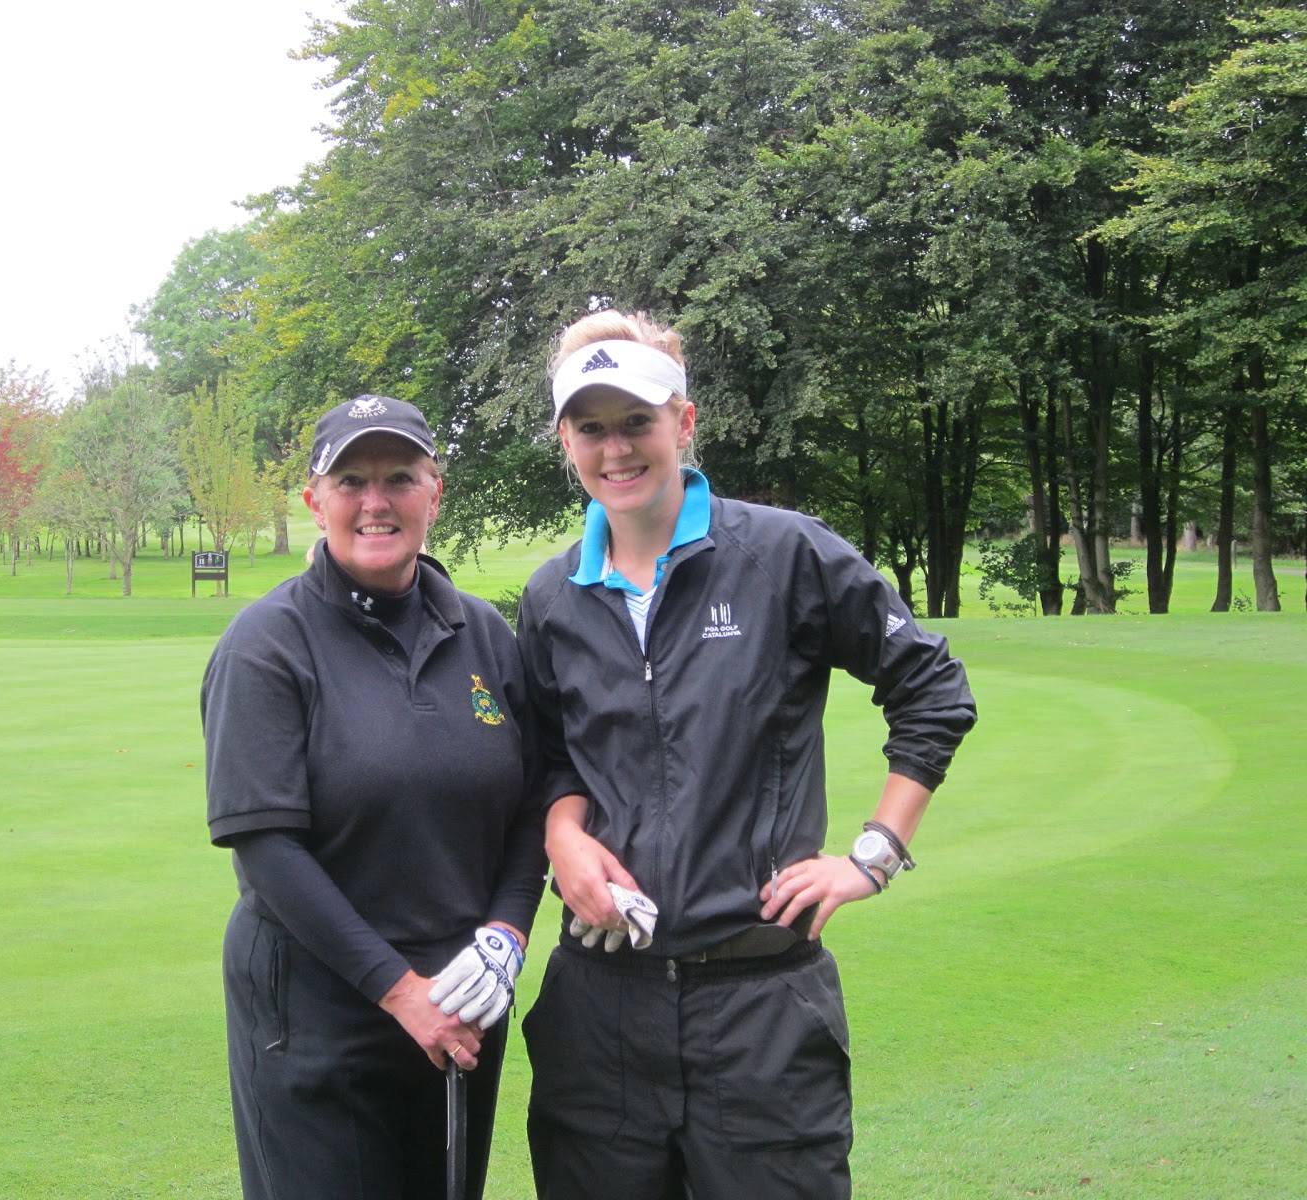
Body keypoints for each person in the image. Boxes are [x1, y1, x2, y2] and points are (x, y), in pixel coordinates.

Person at [515, 311, 977, 1200]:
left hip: (761, 1005)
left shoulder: (783, 554)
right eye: (592, 426)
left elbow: (931, 690)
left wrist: (871, 858)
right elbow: (544, 758)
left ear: (683, 424)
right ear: (566, 440)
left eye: (637, 422)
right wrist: (563, 835)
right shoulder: (551, 596)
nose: (617, 449)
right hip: (600, 1010)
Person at [201, 394, 545, 1200]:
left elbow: (536, 804)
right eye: (350, 479)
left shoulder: (485, 635)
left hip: (462, 1004)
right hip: (319, 1016)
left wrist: (505, 935)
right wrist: (401, 993)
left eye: (399, 476)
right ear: (315, 499)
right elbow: (268, 849)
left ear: (435, 489)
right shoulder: (266, 644)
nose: (375, 501)